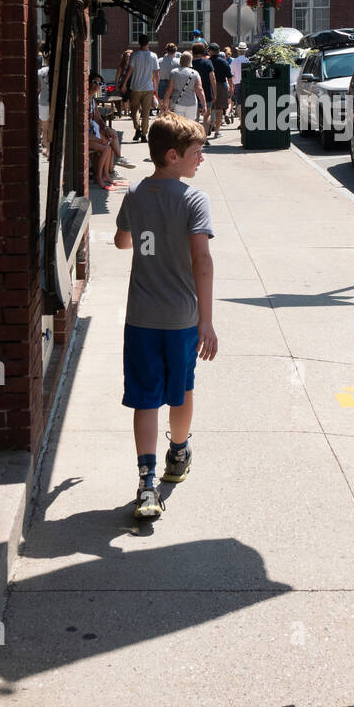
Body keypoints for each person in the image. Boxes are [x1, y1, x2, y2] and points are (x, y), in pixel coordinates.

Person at [114, 114, 217, 521]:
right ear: (173, 156)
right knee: (182, 389)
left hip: (141, 316)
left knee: (145, 397)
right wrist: (206, 320)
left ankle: (146, 480)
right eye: (196, 152)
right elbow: (202, 260)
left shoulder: (135, 193)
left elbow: (123, 241)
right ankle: (178, 452)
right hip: (181, 318)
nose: (201, 159)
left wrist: (144, 232)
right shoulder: (194, 200)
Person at [127, 36, 159, 142]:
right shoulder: (153, 56)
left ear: (139, 43)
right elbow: (156, 73)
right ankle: (144, 134)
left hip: (135, 87)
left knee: (134, 109)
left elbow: (129, 71)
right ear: (148, 43)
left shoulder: (134, 55)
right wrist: (156, 87)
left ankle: (137, 128)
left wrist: (124, 84)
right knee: (146, 112)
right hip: (148, 88)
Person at [161, 51, 206, 121]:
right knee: (190, 124)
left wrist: (165, 103)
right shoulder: (195, 73)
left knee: (178, 124)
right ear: (190, 61)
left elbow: (169, 90)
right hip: (191, 103)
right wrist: (204, 105)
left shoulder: (174, 72)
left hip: (177, 103)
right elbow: (199, 89)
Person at [191, 42, 215, 139]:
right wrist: (215, 92)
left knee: (195, 115)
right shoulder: (207, 63)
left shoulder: (190, 63)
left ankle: (195, 136)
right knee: (207, 115)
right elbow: (212, 78)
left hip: (192, 91)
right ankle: (204, 137)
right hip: (206, 91)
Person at [209, 43, 233, 133]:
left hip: (209, 86)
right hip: (221, 86)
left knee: (209, 108)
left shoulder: (207, 62)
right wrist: (231, 88)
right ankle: (217, 131)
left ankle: (210, 125)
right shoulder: (224, 62)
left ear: (210, 51)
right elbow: (229, 77)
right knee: (219, 110)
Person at [229, 45, 247, 124]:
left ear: (238, 51)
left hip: (237, 83)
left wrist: (231, 85)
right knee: (246, 103)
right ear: (245, 51)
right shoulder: (247, 61)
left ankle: (241, 122)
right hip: (246, 83)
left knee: (239, 103)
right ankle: (245, 122)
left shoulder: (234, 61)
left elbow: (231, 74)